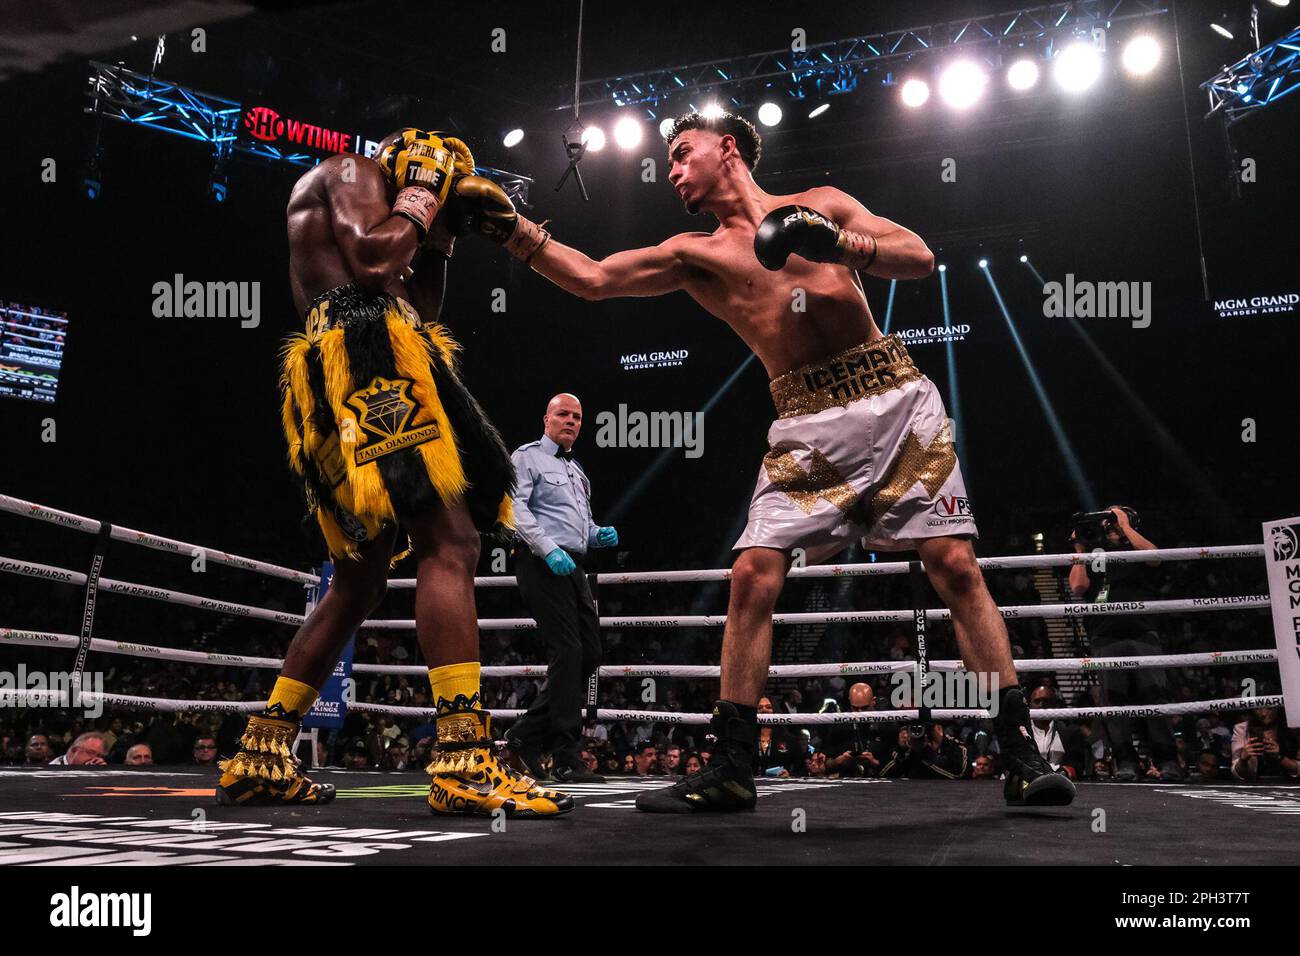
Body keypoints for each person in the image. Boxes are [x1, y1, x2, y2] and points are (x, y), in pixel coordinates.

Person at [448, 109, 1073, 810]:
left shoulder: (823, 205)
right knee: (752, 575)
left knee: (955, 565)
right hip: (805, 425)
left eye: (683, 154)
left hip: (897, 400)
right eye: (670, 162)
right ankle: (733, 765)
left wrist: (837, 242)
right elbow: (593, 278)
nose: (674, 171)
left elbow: (920, 258)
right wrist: (511, 230)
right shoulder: (696, 254)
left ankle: (1020, 756)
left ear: (730, 148)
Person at [215, 127, 571, 817]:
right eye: (435, 178)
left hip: (364, 358)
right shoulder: (352, 169)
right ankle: (464, 760)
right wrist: (420, 195)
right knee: (452, 540)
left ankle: (261, 752)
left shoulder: (391, 207)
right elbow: (377, 265)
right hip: (365, 359)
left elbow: (422, 308)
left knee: (360, 578)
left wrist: (440, 239)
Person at [504, 392, 617, 784]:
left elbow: (581, 526)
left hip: (574, 568)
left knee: (589, 653)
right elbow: (516, 510)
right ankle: (567, 754)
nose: (571, 421)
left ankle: (523, 737)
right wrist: (549, 549)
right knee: (567, 650)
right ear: (547, 418)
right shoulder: (526, 457)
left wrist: (596, 534)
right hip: (540, 562)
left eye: (578, 417)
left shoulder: (578, 471)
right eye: (563, 414)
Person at [1068, 505, 1180, 781]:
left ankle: (1167, 761)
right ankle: (1125, 761)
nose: (1110, 526)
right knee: (1114, 701)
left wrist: (1126, 526)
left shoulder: (1137, 548)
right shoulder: (1095, 553)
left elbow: (1155, 558)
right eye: (1109, 522)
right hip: (1105, 634)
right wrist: (1081, 549)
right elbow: (1078, 587)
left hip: (1142, 632)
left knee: (1154, 696)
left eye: (1114, 521)